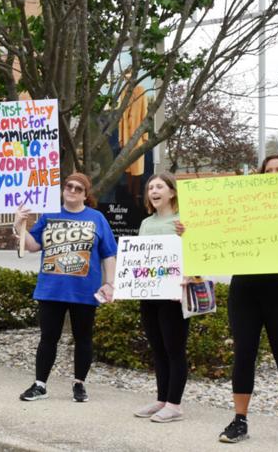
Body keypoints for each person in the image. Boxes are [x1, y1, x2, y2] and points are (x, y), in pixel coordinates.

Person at [184, 154, 278, 444]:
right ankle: (239, 421)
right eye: (269, 170)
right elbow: (211, 229)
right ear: (260, 174)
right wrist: (188, 231)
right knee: (244, 353)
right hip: (247, 287)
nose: (274, 174)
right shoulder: (243, 205)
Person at [15, 172, 117, 403]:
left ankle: (79, 384)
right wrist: (19, 223)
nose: (72, 190)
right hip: (51, 289)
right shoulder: (49, 215)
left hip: (84, 290)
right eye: (68, 186)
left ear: (85, 194)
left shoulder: (97, 218)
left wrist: (110, 284)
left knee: (83, 338)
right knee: (48, 338)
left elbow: (109, 254)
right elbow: (32, 246)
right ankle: (40, 384)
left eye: (78, 188)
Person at [126, 173, 190, 423]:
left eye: (159, 186)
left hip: (174, 296)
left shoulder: (183, 222)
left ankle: (175, 404)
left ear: (172, 192)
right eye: (150, 187)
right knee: (158, 348)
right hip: (150, 294)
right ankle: (161, 399)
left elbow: (197, 253)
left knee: (175, 349)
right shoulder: (145, 223)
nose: (153, 191)